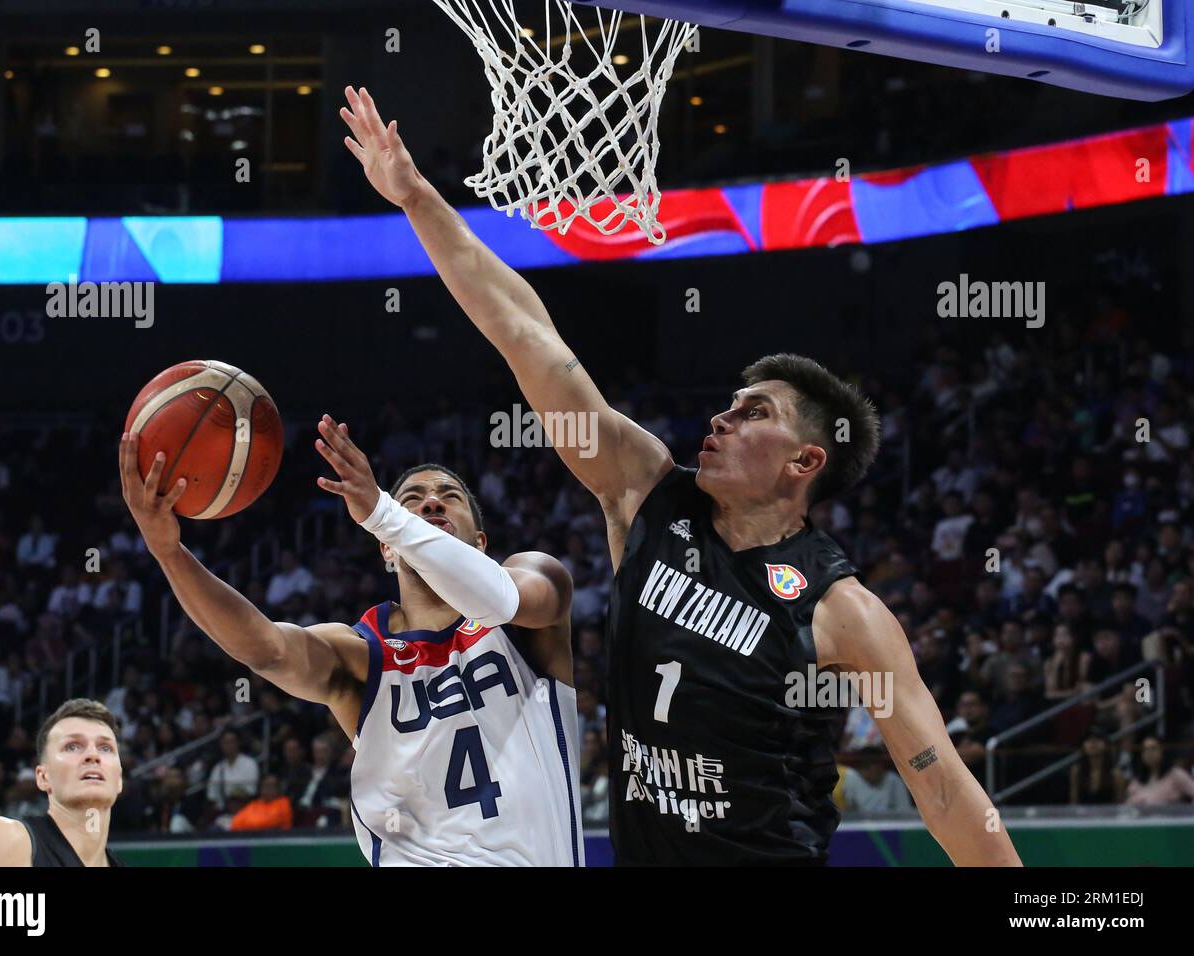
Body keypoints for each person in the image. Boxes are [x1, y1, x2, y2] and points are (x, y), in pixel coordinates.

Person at [340, 84, 1020, 865]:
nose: (722, 418)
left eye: (754, 411)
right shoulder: (646, 491)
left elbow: (939, 786)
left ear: (806, 462)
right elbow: (527, 334)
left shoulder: (845, 612)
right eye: (729, 403)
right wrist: (417, 197)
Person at [119, 421, 582, 866]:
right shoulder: (362, 653)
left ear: (480, 543)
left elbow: (503, 597)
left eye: (449, 496)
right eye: (412, 500)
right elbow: (265, 647)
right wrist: (168, 552)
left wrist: (386, 513)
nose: (431, 503)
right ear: (385, 548)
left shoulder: (533, 589)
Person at [0, 698, 126, 867]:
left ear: (119, 779)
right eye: (72, 746)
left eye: (105, 748)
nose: (93, 755)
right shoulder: (6, 838)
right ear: (42, 777)